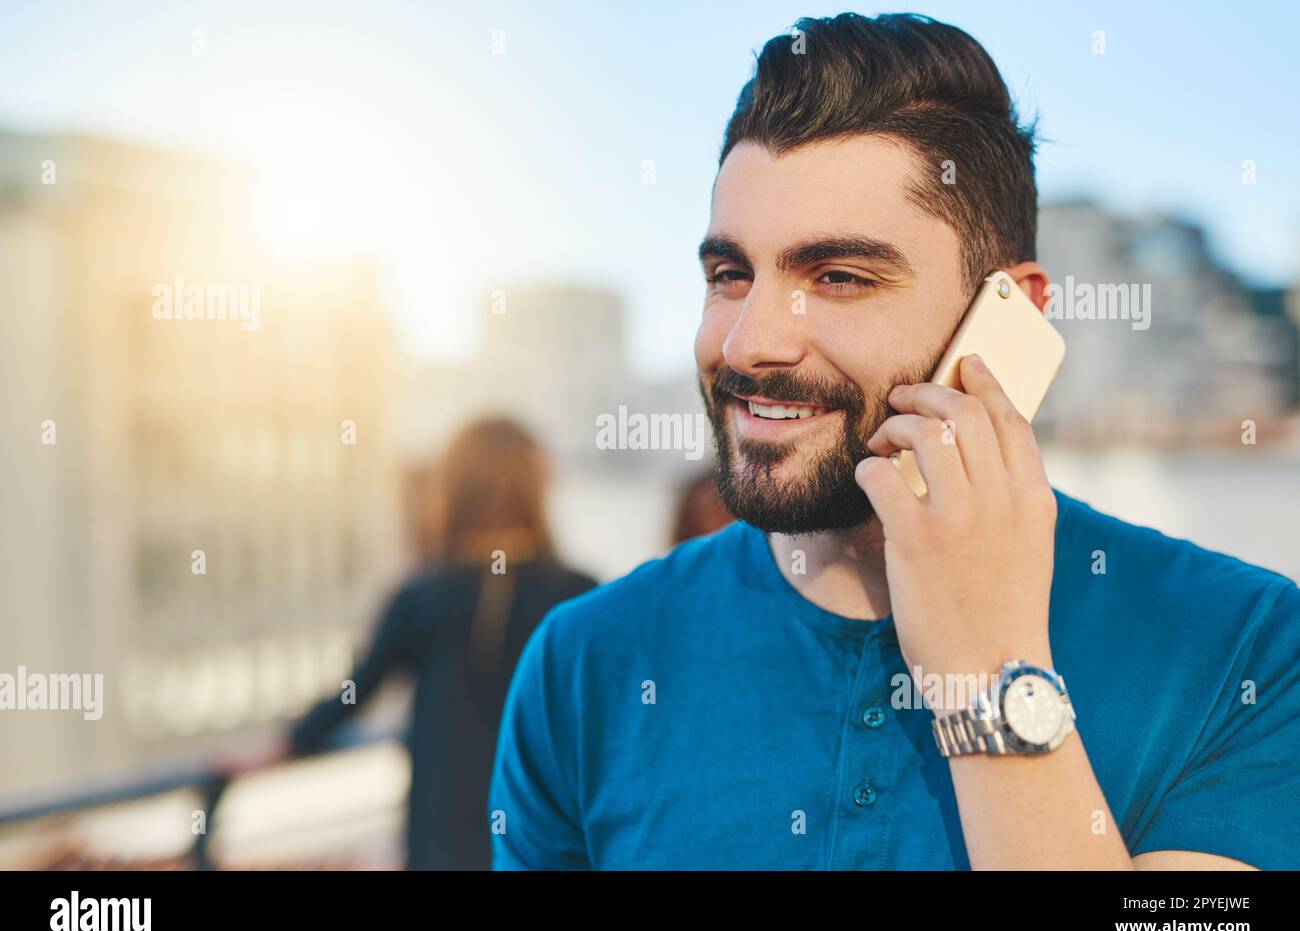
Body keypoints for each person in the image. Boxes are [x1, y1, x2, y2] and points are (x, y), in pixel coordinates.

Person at [489, 13, 1300, 870]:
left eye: (839, 276)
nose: (746, 341)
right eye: (731, 275)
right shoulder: (584, 666)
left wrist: (989, 671)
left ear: (1009, 317)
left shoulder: (1245, 652)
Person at [273, 417, 595, 869]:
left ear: (451, 492)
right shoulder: (579, 595)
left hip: (442, 832)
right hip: (548, 832)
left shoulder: (422, 598)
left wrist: (285, 744)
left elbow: (354, 693)